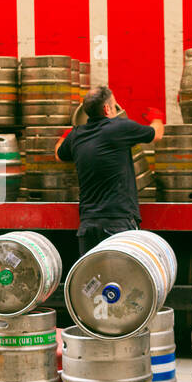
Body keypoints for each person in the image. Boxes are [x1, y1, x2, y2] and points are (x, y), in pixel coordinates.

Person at [56, 86, 164, 255]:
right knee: (121, 275)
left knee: (92, 276)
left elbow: (58, 154)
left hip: (88, 224)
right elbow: (156, 135)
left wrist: (66, 135)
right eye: (114, 105)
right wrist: (157, 118)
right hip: (118, 221)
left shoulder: (76, 135)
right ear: (107, 109)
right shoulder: (119, 128)